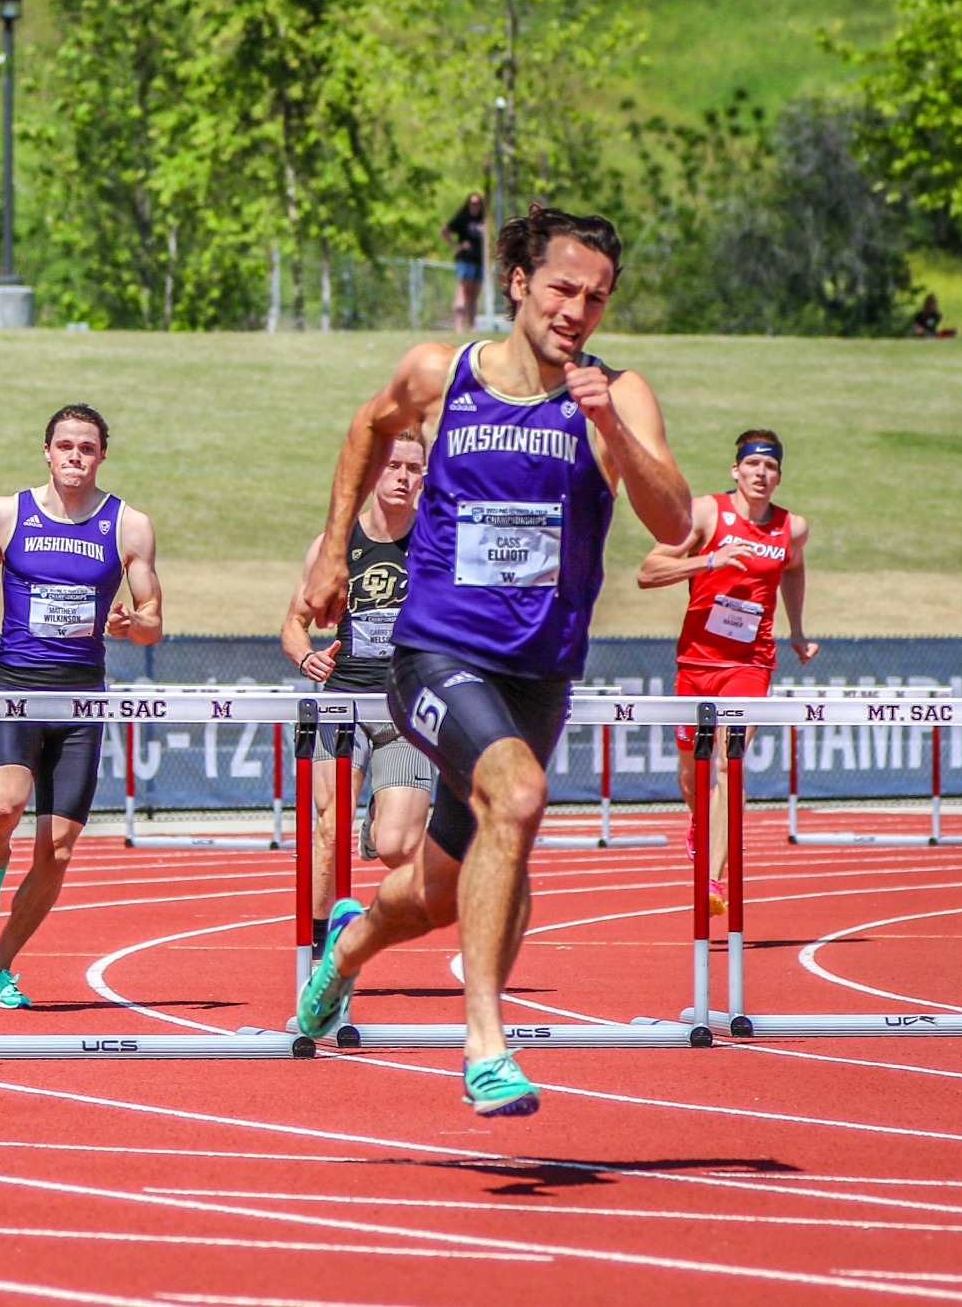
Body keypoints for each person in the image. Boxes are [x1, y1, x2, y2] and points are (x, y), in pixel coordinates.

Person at [295, 204, 692, 1117]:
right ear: (518, 283)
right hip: (432, 654)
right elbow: (366, 427)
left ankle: (347, 948)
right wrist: (330, 550)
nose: (576, 310)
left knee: (439, 891)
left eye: (595, 297)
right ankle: (484, 1043)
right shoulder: (446, 374)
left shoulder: (616, 395)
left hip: (537, 674)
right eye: (561, 288)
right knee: (517, 795)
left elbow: (674, 524)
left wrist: (618, 436)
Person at [0, 404, 162, 1009]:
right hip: (17, 690)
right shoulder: (7, 514)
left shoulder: (128, 525)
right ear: (46, 452)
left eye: (87, 447)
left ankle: (0, 966)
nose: (75, 456)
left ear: (102, 455)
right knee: (4, 807)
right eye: (65, 446)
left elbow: (154, 621)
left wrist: (135, 626)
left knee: (56, 850)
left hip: (82, 701)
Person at [638, 429, 815, 914]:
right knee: (691, 775)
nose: (762, 474)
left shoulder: (790, 528)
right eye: (754, 465)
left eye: (772, 468)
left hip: (750, 664)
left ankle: (713, 881)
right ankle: (702, 822)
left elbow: (794, 568)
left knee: (726, 763)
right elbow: (648, 571)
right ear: (735, 469)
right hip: (695, 661)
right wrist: (710, 559)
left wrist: (796, 630)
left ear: (779, 476)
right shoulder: (705, 513)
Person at [280, 429, 434, 943]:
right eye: (393, 466)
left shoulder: (437, 542)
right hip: (342, 701)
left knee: (396, 846)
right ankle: (322, 944)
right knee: (330, 827)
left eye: (414, 469)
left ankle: (376, 825)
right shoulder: (336, 545)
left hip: (407, 710)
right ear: (373, 474)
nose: (403, 478)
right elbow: (293, 625)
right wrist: (307, 659)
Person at [442, 193, 486, 335]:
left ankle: (472, 327)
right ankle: (459, 327)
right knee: (463, 292)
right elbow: (444, 231)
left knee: (474, 294)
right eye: (472, 203)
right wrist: (456, 246)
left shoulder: (484, 219)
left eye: (478, 203)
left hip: (479, 260)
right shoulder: (462, 218)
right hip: (465, 260)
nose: (475, 206)